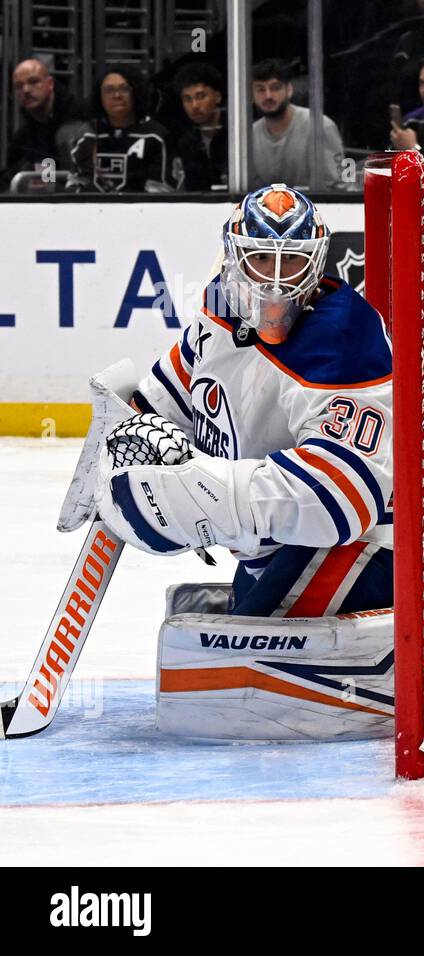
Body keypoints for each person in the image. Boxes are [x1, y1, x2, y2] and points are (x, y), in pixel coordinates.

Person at [95, 184, 393, 617]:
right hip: (277, 550)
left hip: (365, 555)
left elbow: (339, 499)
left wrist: (194, 496)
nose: (274, 281)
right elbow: (165, 400)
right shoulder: (221, 308)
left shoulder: (345, 341)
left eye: (291, 260)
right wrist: (133, 445)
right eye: (260, 259)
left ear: (315, 262)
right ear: (235, 259)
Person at [67, 67, 177, 193]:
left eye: (124, 89)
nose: (117, 95)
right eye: (109, 90)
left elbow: (161, 193)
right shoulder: (87, 135)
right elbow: (75, 184)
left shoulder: (156, 136)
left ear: (135, 92)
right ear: (99, 97)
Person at [249, 59, 346, 190]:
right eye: (260, 89)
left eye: (275, 88)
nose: (268, 96)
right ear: (251, 95)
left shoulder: (320, 126)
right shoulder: (249, 135)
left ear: (289, 90)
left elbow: (337, 189)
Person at [3, 57, 87, 189]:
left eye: (34, 82)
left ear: (50, 83)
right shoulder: (22, 138)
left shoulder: (78, 123)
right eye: (19, 86)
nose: (26, 90)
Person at [173, 63, 228, 192]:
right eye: (187, 99)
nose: (194, 105)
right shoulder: (185, 140)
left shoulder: (236, 131)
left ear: (217, 96)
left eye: (201, 96)